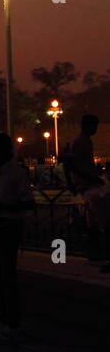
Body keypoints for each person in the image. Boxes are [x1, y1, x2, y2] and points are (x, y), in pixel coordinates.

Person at [0, 132, 33, 340]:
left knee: (7, 276)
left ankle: (12, 324)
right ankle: (2, 320)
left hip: (9, 225)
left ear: (1, 151)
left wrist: (4, 206)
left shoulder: (16, 173)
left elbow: (28, 202)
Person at [65, 114, 107, 269]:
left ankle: (95, 253)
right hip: (86, 186)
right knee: (93, 221)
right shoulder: (80, 142)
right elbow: (71, 164)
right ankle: (94, 253)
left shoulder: (85, 141)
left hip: (88, 183)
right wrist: (89, 179)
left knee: (94, 221)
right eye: (94, 126)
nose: (95, 129)